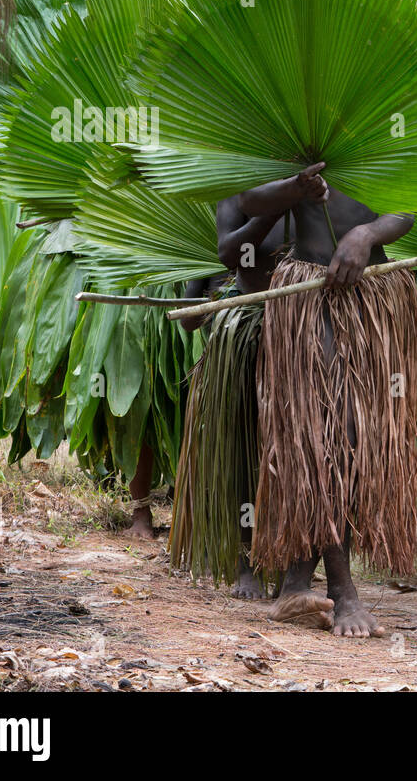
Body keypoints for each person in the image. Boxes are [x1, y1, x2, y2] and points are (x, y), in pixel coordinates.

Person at [243, 166, 417, 638]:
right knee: (321, 435)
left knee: (352, 437)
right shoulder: (295, 132)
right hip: (308, 295)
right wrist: (294, 187)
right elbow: (249, 201)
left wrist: (367, 232)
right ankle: (342, 593)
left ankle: (296, 584)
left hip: (375, 298)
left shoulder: (381, 130)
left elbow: (409, 208)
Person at [168, 164, 324, 597]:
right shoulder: (241, 188)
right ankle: (245, 561)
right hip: (251, 328)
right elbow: (230, 254)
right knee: (246, 446)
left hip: (311, 332)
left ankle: (297, 562)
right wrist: (276, 206)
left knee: (303, 447)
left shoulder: (327, 190)